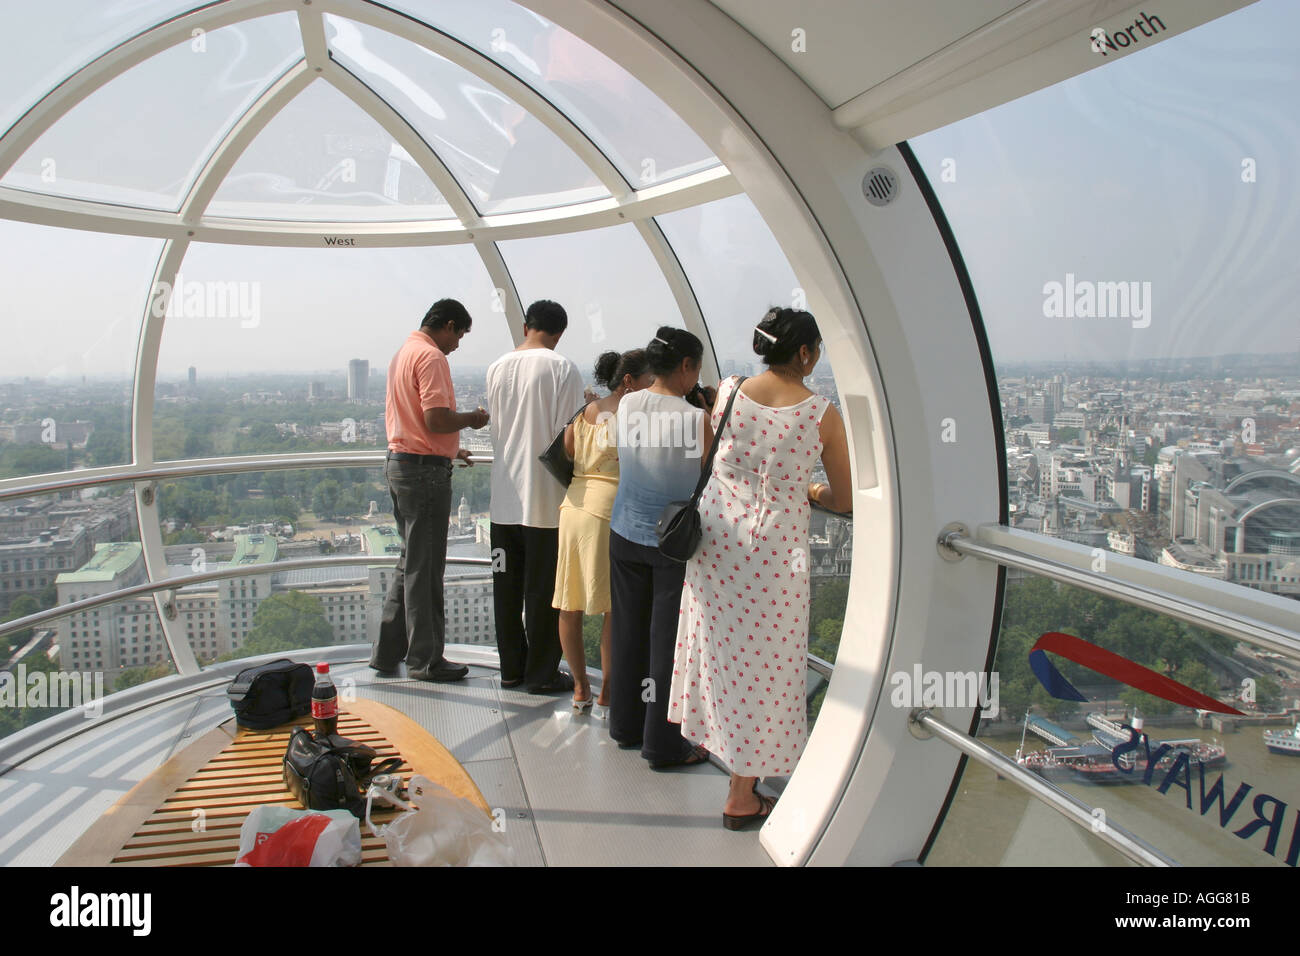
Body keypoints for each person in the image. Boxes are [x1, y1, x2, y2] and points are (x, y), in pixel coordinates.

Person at [667, 307, 851, 828]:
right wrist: (809, 490)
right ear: (805, 353)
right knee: (770, 666)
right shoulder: (820, 415)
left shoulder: (728, 391)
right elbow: (844, 497)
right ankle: (742, 792)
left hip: (717, 545)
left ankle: (720, 755)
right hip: (774, 555)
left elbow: (711, 457)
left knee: (720, 649)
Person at [607, 327, 715, 768]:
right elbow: (711, 471)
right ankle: (662, 745)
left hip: (624, 532)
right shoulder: (695, 419)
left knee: (628, 633)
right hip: (670, 542)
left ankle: (625, 726)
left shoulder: (628, 402)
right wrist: (705, 410)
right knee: (667, 643)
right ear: (687, 366)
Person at [372, 299, 489, 682]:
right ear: (448, 325)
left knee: (409, 564)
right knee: (425, 570)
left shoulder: (403, 353)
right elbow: (435, 418)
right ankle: (425, 661)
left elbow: (414, 423)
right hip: (424, 475)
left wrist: (451, 449)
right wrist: (473, 420)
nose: (456, 345)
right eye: (459, 335)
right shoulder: (432, 357)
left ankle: (387, 655)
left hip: (401, 465)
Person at [486, 299, 586, 693]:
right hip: (545, 500)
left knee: (506, 589)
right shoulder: (561, 368)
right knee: (544, 591)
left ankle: (511, 667)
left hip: (503, 499)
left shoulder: (495, 367)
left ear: (526, 326)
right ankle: (541, 674)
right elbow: (570, 437)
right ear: (559, 333)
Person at [554, 349, 653, 712]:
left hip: (573, 509)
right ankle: (608, 689)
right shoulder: (631, 415)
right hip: (608, 512)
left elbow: (567, 450)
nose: (652, 387)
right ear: (629, 381)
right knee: (614, 607)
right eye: (648, 381)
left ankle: (580, 687)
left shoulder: (585, 412)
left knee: (569, 602)